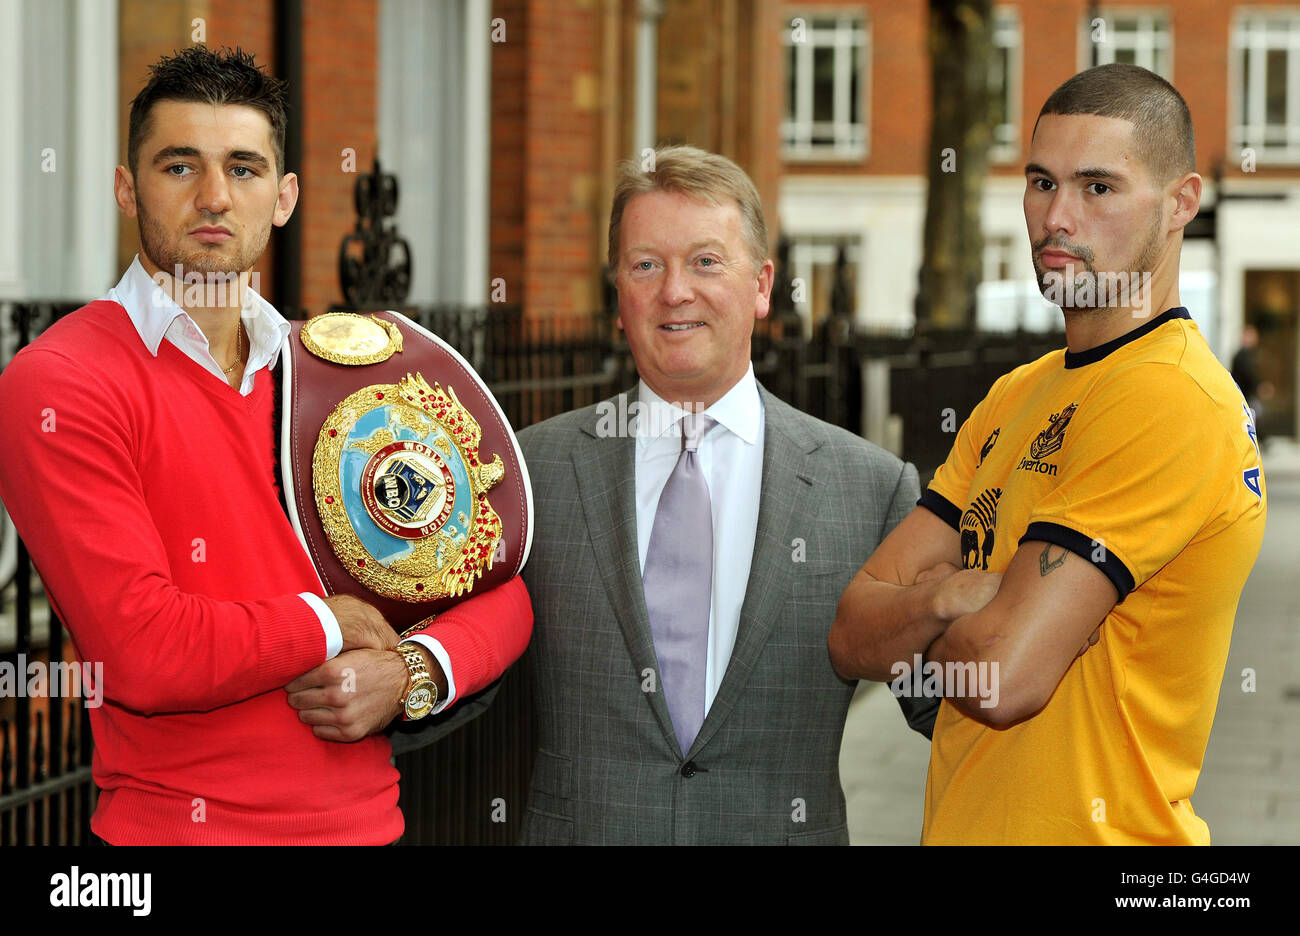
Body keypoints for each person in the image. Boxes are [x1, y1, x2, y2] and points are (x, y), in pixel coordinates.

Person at [0, 46, 531, 845]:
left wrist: (411, 672)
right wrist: (329, 623)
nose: (215, 196)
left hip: (372, 830)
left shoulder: (341, 373)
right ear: (126, 188)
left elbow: (500, 575)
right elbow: (143, 652)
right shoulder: (61, 379)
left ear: (283, 198)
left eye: (243, 169)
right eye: (180, 166)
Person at [831, 63, 1266, 845]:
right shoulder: (1016, 394)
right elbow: (849, 634)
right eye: (1041, 183)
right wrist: (949, 598)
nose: (1056, 217)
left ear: (1181, 203)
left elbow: (1002, 678)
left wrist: (930, 613)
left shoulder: (1169, 397)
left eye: (1098, 187)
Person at [516, 145, 930, 845]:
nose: (675, 291)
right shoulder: (532, 472)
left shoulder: (869, 487)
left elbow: (945, 702)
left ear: (762, 285)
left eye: (706, 261)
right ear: (617, 294)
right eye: (646, 265)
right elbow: (466, 676)